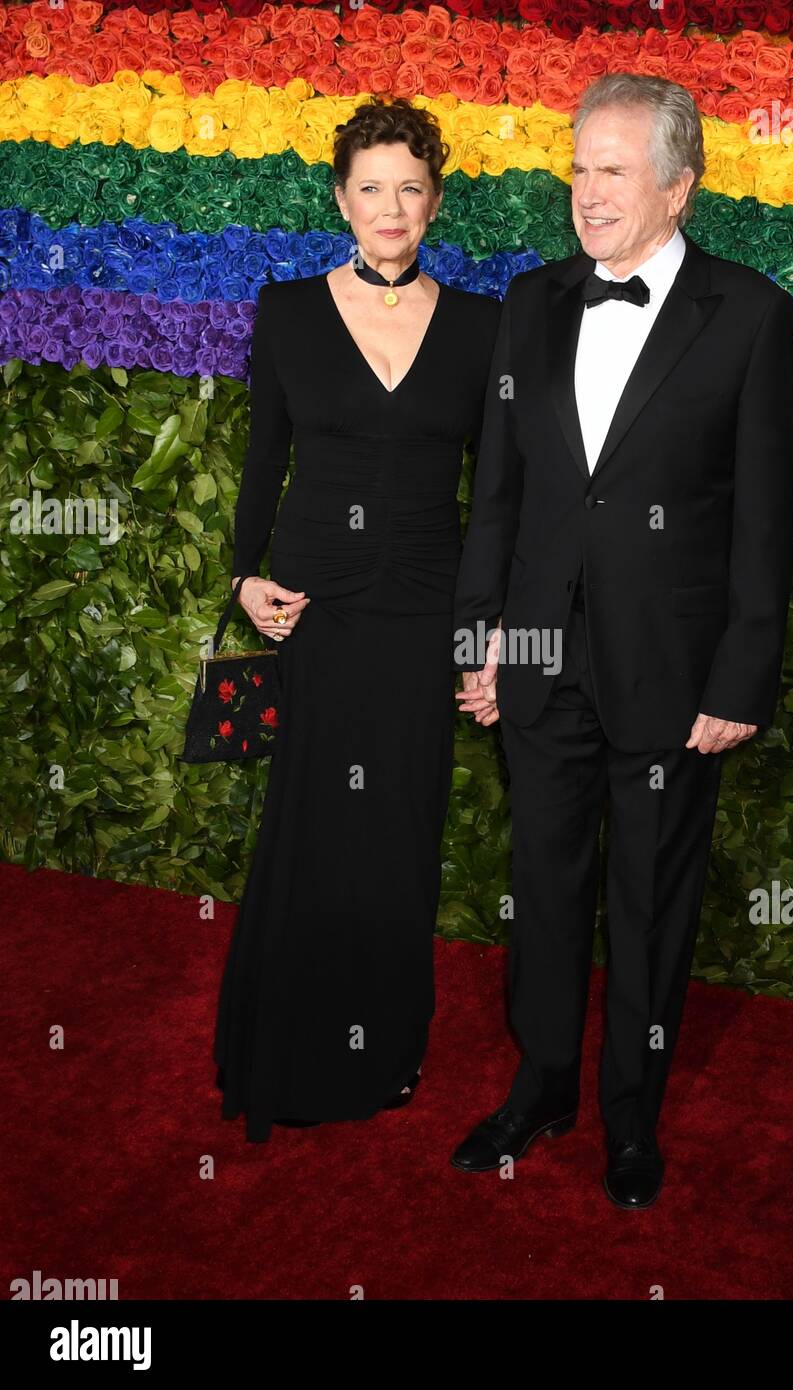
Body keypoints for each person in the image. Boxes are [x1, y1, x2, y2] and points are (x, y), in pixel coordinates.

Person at [450, 74, 793, 1207]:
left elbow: (761, 513)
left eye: (609, 169)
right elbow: (496, 493)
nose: (584, 193)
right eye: (576, 167)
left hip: (671, 669)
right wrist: (481, 637)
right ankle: (541, 1082)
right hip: (540, 658)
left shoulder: (746, 313)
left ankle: (630, 1118)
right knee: (542, 885)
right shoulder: (528, 301)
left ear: (676, 184)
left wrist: (741, 671)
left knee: (651, 900)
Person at [214, 96, 501, 1143]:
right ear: (341, 198)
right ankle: (288, 1041)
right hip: (316, 609)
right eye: (371, 186)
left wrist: (484, 634)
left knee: (400, 830)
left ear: (433, 200)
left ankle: (384, 1042)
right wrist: (243, 573)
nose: (391, 206)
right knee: (314, 825)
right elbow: (262, 457)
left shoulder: (481, 325)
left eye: (409, 187)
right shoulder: (286, 308)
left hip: (425, 613)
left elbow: (502, 493)